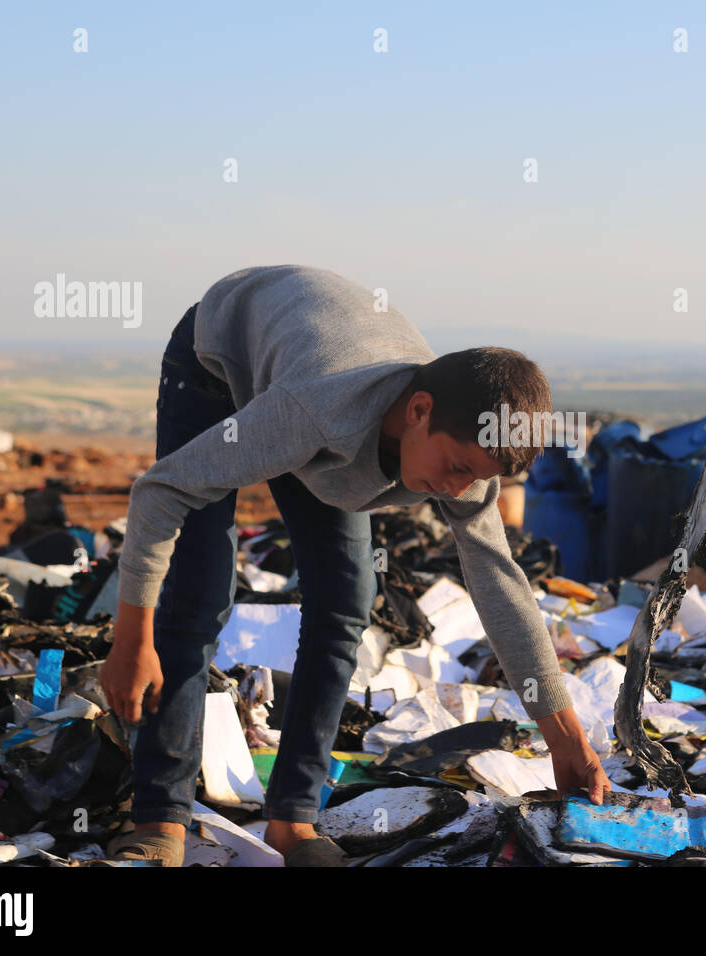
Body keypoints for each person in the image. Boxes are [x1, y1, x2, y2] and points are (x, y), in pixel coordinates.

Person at [100, 265, 610, 867]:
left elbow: (502, 584)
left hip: (314, 379)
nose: (458, 489)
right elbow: (162, 492)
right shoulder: (313, 413)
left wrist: (566, 737)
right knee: (202, 589)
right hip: (220, 358)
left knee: (347, 596)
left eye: (474, 477)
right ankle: (162, 820)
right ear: (419, 410)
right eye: (455, 468)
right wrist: (132, 640)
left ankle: (293, 822)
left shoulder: (462, 463)